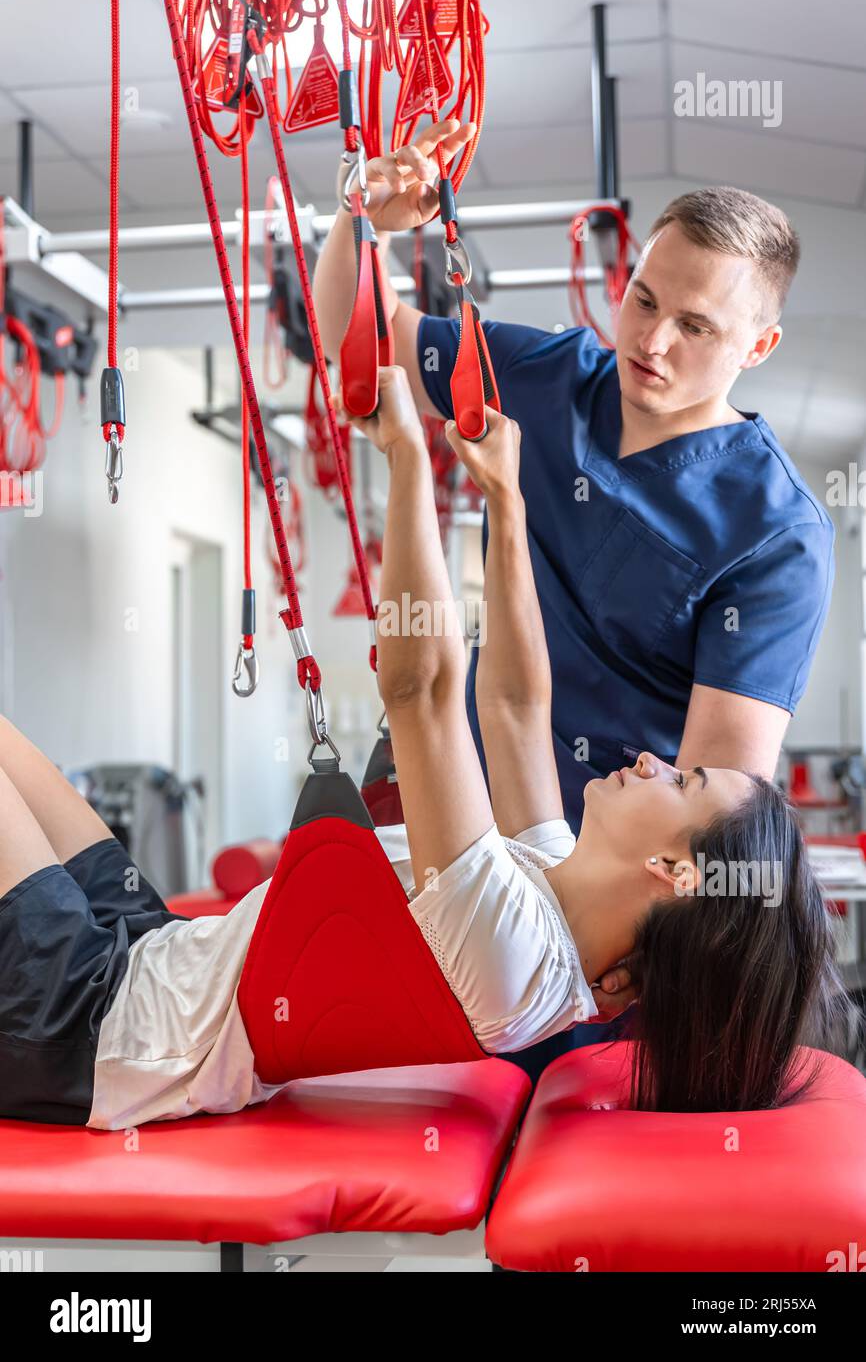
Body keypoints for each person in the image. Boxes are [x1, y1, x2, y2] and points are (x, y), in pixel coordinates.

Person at [0, 371, 854, 1129]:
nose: (655, 760)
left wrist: (411, 459)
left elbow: (422, 693)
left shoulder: (516, 960)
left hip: (89, 1026)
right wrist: (505, 501)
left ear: (675, 871)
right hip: (147, 957)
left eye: (685, 780)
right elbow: (516, 706)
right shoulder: (552, 897)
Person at [312, 123, 836, 1078]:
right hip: (469, 805)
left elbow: (712, 817)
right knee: (402, 1075)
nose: (651, 340)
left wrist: (604, 949)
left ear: (758, 345)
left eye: (697, 327)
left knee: (548, 1118)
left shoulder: (777, 532)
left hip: (599, 914)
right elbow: (362, 349)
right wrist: (362, 218)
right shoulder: (555, 379)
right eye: (643, 299)